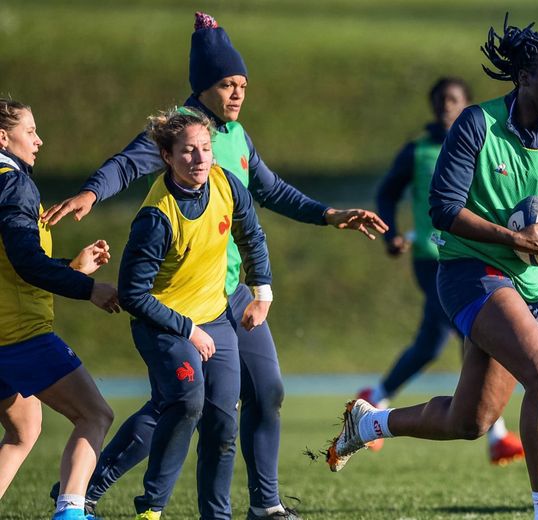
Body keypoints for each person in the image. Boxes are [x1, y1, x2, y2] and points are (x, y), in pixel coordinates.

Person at [43, 12, 386, 520]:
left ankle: (264, 506)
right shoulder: (180, 133)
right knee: (180, 402)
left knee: (265, 392)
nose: (238, 93)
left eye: (243, 84)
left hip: (230, 294)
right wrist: (93, 192)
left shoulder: (237, 136)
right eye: (228, 83)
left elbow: (269, 192)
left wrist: (329, 215)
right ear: (204, 86)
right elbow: (124, 164)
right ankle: (87, 487)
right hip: (181, 300)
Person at [326, 15, 538, 520]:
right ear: (525, 78)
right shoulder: (477, 123)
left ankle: (368, 425)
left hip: (527, 287)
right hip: (471, 273)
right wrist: (516, 238)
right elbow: (443, 209)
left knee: (469, 421)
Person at [359, 77, 525, 465]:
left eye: (453, 100)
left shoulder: (482, 145)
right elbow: (387, 192)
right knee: (469, 336)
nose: (445, 107)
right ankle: (493, 433)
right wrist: (392, 234)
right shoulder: (418, 151)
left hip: (473, 257)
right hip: (432, 260)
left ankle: (375, 399)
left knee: (444, 340)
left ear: (467, 105)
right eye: (439, 101)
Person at [119, 108, 271, 519]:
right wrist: (188, 328)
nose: (201, 158)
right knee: (186, 402)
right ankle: (150, 507)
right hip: (164, 322)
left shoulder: (224, 183)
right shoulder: (156, 216)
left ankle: (215, 517)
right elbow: (132, 293)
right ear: (167, 156)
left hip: (215, 319)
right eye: (188, 151)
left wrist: (263, 292)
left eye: (206, 149)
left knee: (223, 426)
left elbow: (252, 233)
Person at [0, 98, 119, 519]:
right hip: (20, 336)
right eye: (30, 131)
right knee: (95, 414)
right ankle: (70, 512)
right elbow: (26, 263)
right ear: (3, 137)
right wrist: (88, 288)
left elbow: (11, 259)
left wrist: (71, 267)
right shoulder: (13, 185)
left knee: (23, 429)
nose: (39, 140)